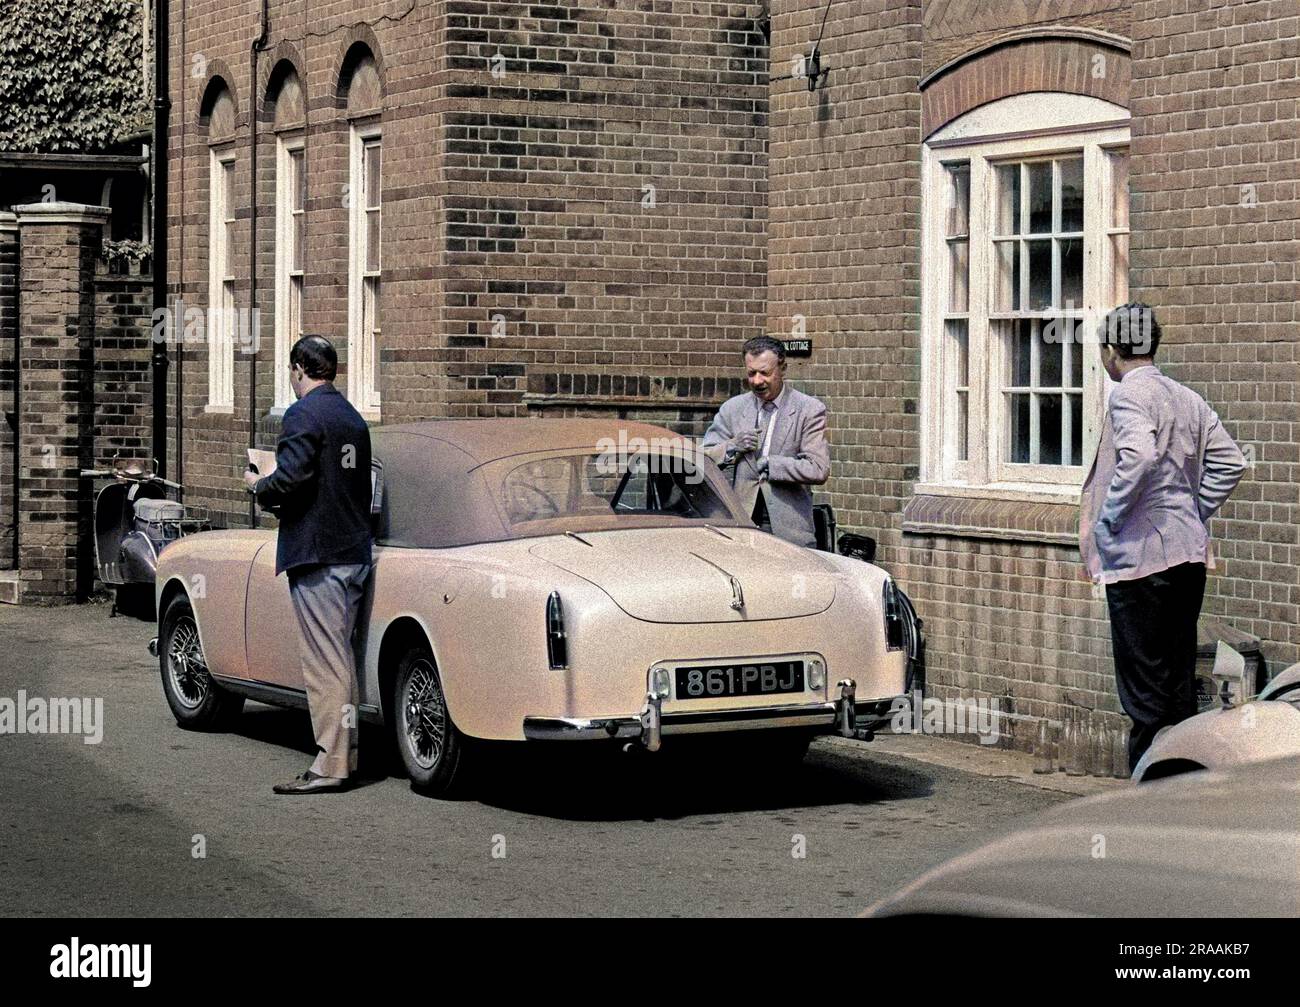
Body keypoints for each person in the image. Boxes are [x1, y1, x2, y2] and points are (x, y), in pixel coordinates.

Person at [1080, 303, 1246, 768]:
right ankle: (1181, 789)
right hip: (1187, 556)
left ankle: (1146, 797)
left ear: (1112, 350)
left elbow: (1139, 457)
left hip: (1140, 560)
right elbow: (1231, 462)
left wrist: (1108, 519)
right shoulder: (1185, 396)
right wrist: (1192, 510)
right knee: (1175, 684)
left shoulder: (1129, 396)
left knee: (1144, 694)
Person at [244, 335, 373, 794]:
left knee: (324, 663)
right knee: (341, 658)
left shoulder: (303, 414)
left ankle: (330, 765)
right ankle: (347, 755)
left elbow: (294, 477)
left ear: (299, 368)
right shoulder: (352, 418)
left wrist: (261, 484)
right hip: (354, 550)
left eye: (292, 371)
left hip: (318, 552)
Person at [701, 336, 830, 546]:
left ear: (783, 368)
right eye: (751, 373)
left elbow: (818, 468)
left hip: (788, 531)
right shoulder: (733, 409)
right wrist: (732, 446)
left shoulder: (809, 410)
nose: (757, 381)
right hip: (740, 526)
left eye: (765, 373)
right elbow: (703, 457)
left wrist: (773, 465)